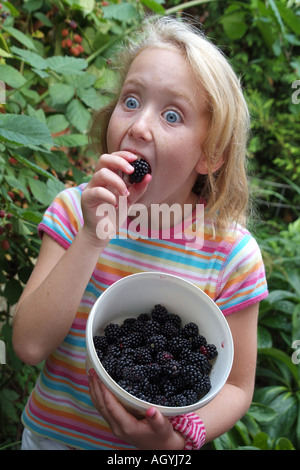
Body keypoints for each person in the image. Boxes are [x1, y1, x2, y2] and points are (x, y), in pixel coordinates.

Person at [13, 15, 268, 450]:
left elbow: (237, 388)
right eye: (131, 101)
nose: (138, 126)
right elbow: (29, 344)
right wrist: (92, 236)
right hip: (50, 440)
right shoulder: (76, 212)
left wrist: (173, 441)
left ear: (211, 155)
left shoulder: (230, 255)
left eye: (172, 115)